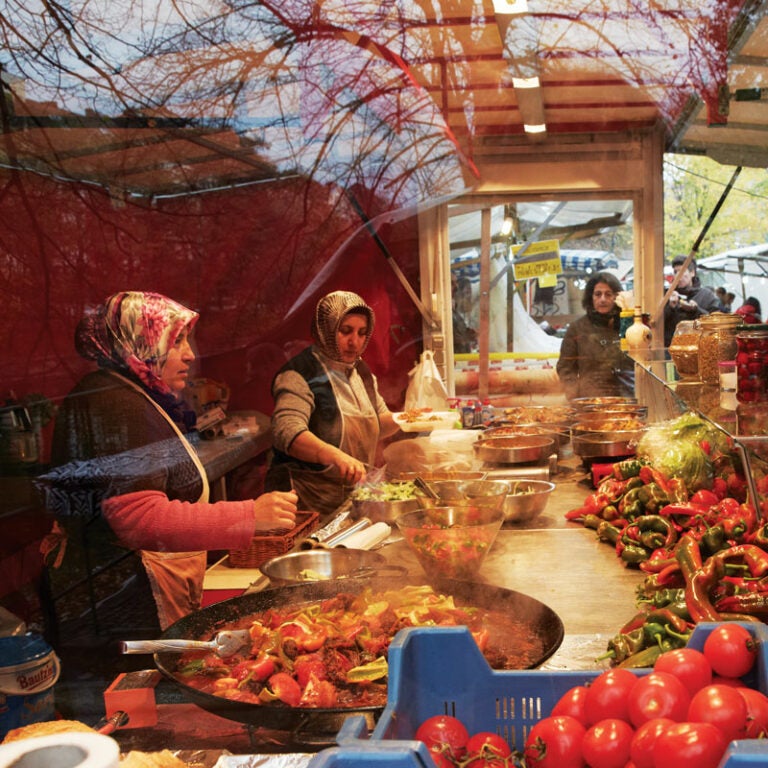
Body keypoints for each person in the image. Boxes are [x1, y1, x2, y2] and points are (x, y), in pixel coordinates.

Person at [45, 291, 298, 630]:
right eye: (176, 340)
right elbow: (139, 519)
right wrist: (248, 516)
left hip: (130, 591)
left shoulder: (129, 391)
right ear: (142, 341)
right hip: (123, 602)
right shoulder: (114, 402)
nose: (190, 355)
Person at [264, 291, 401, 518]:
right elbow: (287, 432)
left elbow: (379, 423)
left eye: (361, 333)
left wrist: (410, 419)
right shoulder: (299, 374)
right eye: (345, 331)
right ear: (326, 328)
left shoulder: (362, 373)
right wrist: (336, 456)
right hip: (304, 501)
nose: (353, 342)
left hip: (348, 496)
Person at [556, 271, 635, 401]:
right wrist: (574, 395)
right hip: (590, 401)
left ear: (617, 298)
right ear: (590, 297)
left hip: (626, 399)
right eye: (598, 294)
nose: (602, 299)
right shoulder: (577, 329)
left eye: (608, 294)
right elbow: (565, 368)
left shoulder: (628, 327)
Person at [663, 255, 721, 346]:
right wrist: (670, 307)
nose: (678, 276)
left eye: (682, 272)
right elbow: (657, 324)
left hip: (700, 348)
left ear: (692, 273)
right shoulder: (667, 295)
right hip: (671, 349)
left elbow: (715, 323)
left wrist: (696, 310)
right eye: (675, 272)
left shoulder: (706, 295)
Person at [452, 273, 478, 353]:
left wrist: (467, 332)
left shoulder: (455, 311)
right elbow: (448, 337)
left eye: (456, 283)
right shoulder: (444, 311)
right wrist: (467, 338)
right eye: (452, 283)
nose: (456, 286)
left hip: (463, 358)